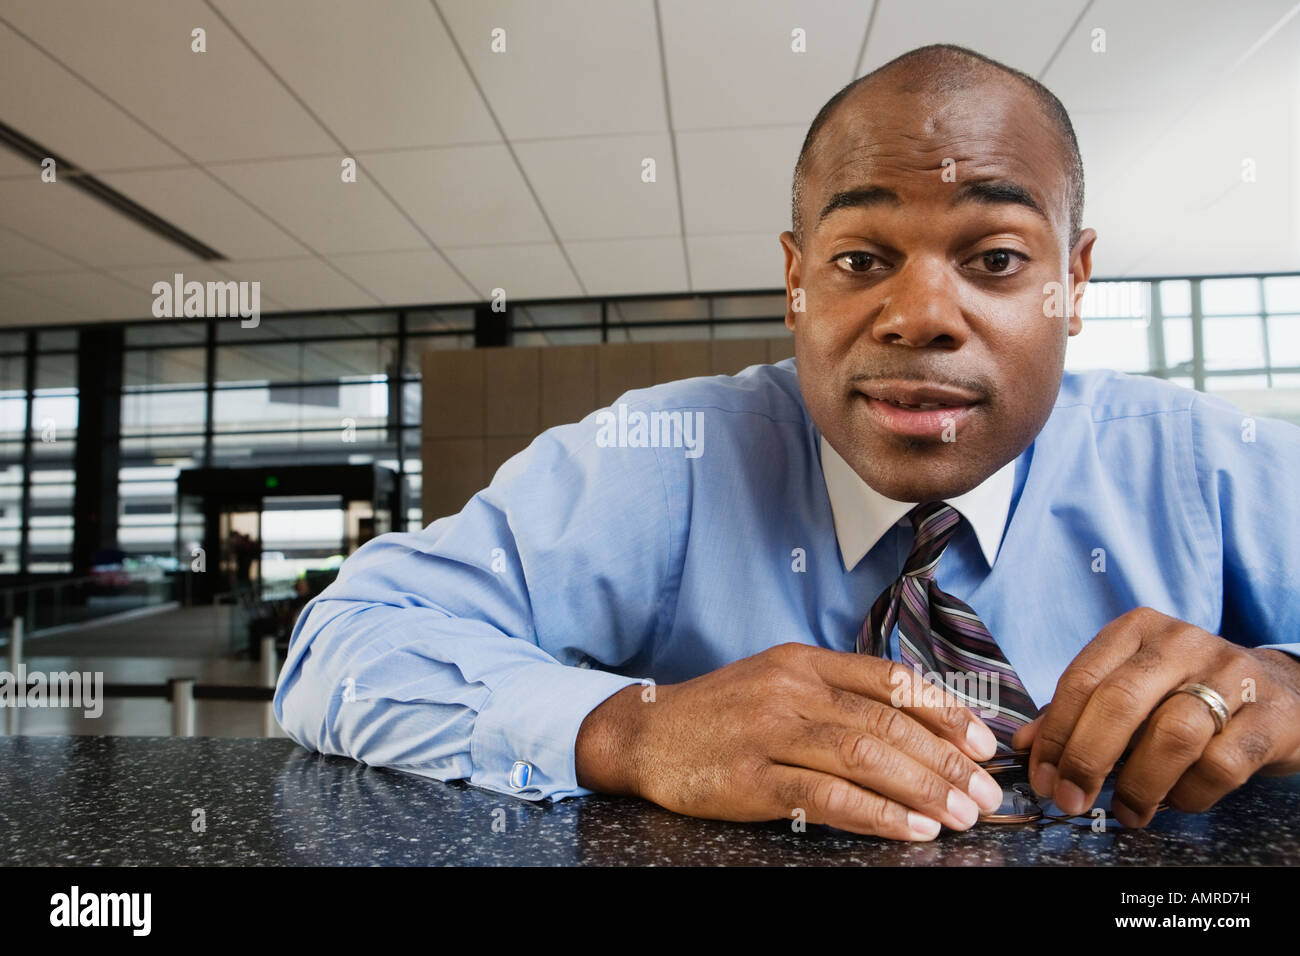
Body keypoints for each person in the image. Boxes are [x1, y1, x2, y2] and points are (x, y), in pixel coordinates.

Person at [274, 44, 1300, 842]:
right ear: (796, 280)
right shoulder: (661, 453)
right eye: (860, 257)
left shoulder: (1210, 462)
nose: (917, 317)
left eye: (992, 257)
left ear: (1072, 282)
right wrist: (633, 727)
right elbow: (342, 645)